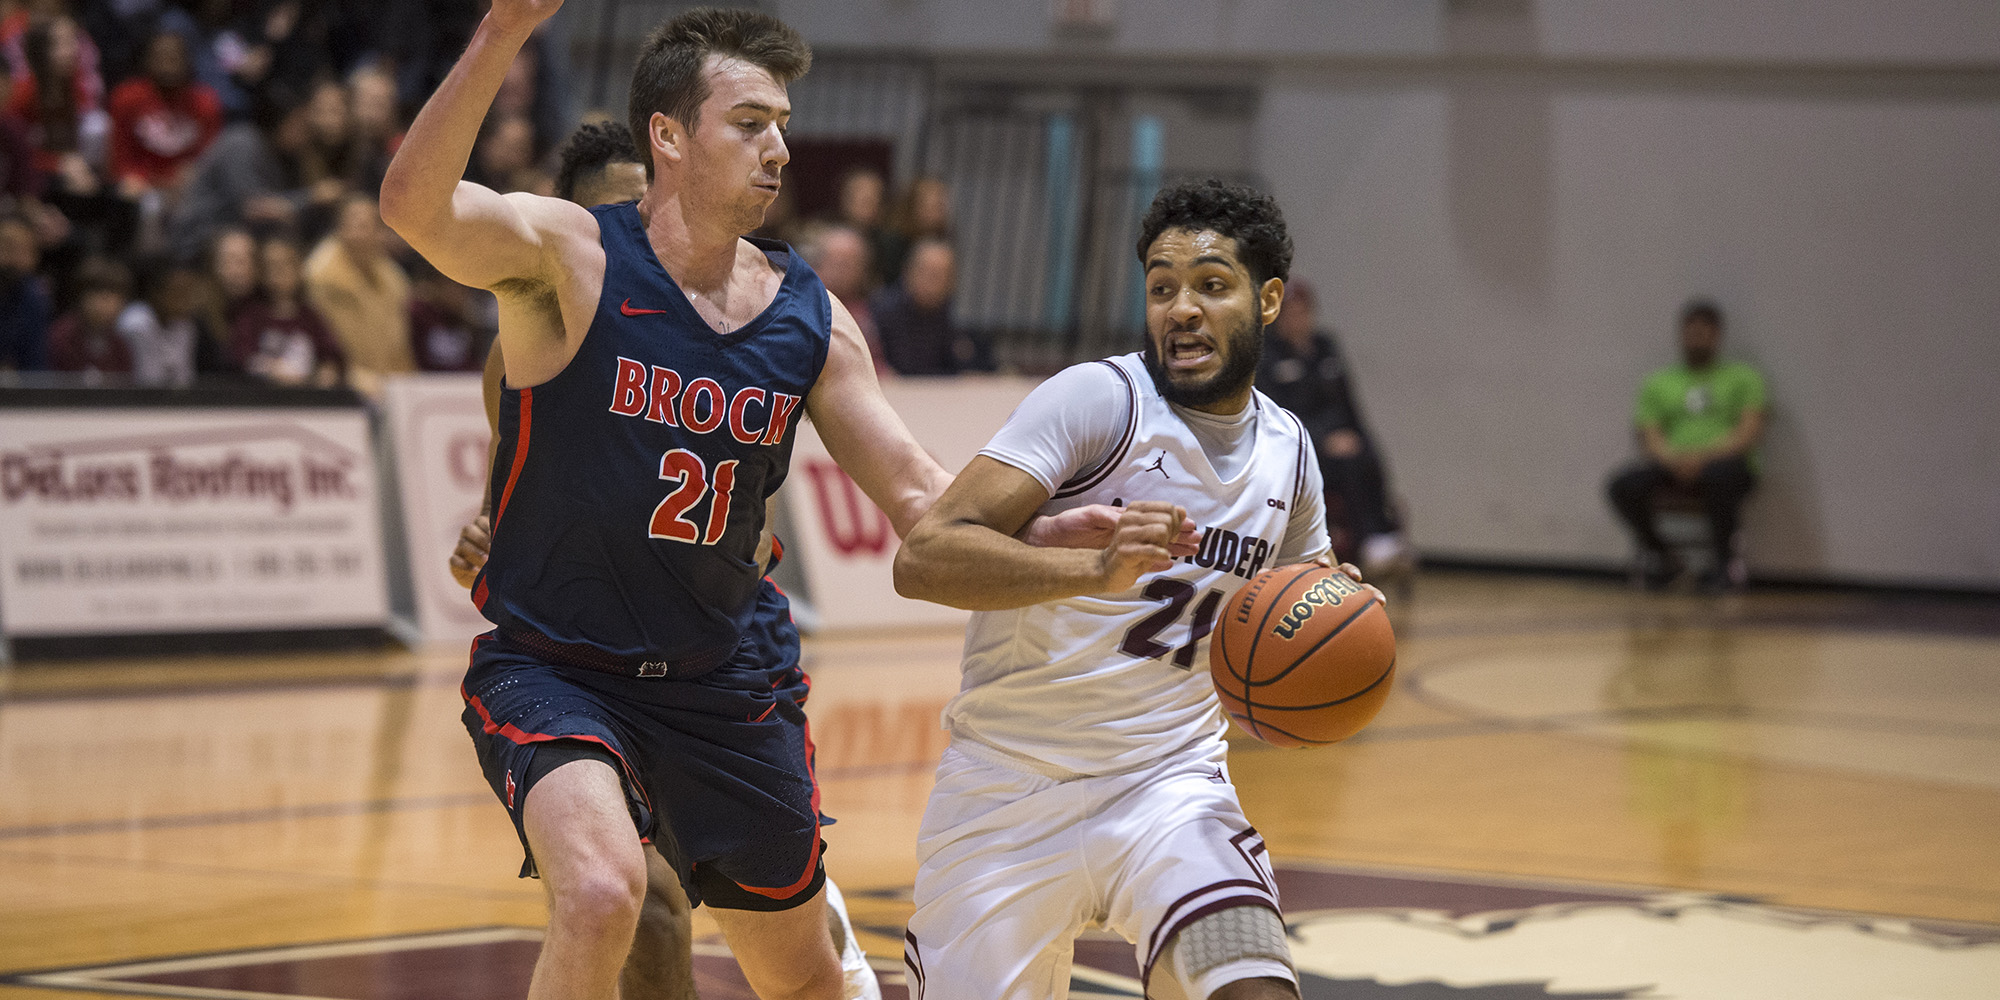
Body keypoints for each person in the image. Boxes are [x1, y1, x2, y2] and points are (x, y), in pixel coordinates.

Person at [380, 7, 1152, 1000]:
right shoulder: (568, 256)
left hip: (717, 685)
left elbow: (920, 496)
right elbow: (413, 206)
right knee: (607, 891)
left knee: (805, 979)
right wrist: (499, 32)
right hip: (559, 668)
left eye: (781, 122)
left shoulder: (808, 316)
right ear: (668, 135)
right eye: (748, 122)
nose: (779, 148)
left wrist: (1042, 533)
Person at [893, 179, 1354, 1000]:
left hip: (1170, 790)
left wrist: (1338, 606)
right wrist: (1091, 571)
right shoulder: (1099, 401)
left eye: (1211, 285)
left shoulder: (1289, 450)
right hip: (1007, 794)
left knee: (1254, 988)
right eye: (1162, 286)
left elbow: (1302, 595)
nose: (1182, 308)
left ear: (1268, 299)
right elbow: (926, 557)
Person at [1607, 299, 1766, 592]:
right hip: (1673, 464)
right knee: (1624, 485)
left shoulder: (1743, 378)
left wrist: (1702, 459)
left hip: (1725, 465)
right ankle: (1662, 557)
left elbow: (1748, 431)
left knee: (1720, 479)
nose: (1697, 338)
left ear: (1717, 335)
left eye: (1705, 331)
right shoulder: (1659, 382)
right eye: (1691, 331)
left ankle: (1724, 566)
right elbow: (1650, 434)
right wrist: (1673, 460)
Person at [1255, 278, 1410, 576]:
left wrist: (1359, 436)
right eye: (1292, 313)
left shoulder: (1326, 347)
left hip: (1342, 438)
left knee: (1367, 452)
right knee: (1346, 462)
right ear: (1280, 316)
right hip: (1302, 447)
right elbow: (1275, 416)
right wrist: (1323, 439)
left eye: (1304, 312)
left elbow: (1349, 403)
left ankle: (1384, 532)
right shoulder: (1268, 354)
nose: (1299, 319)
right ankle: (1368, 543)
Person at [305, 192, 411, 395]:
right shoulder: (321, 275)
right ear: (339, 229)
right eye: (352, 224)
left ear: (380, 233)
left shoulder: (394, 280)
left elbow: (401, 350)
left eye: (365, 226)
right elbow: (326, 346)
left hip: (390, 383)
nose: (358, 233)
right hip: (342, 383)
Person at [229, 233, 344, 388]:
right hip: (261, 401)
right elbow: (241, 357)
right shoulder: (251, 316)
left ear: (299, 268)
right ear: (261, 272)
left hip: (306, 400)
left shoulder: (310, 317)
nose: (279, 273)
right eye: (271, 266)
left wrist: (326, 374)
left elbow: (331, 356)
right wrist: (270, 368)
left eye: (286, 264)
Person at [871, 237, 977, 375]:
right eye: (926, 272)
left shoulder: (962, 319)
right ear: (907, 272)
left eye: (940, 275)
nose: (932, 281)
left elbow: (976, 369)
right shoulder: (880, 314)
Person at [0, 211, 51, 370]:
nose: (13, 259)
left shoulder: (33, 297)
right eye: (7, 247)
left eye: (23, 251)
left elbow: (35, 364)